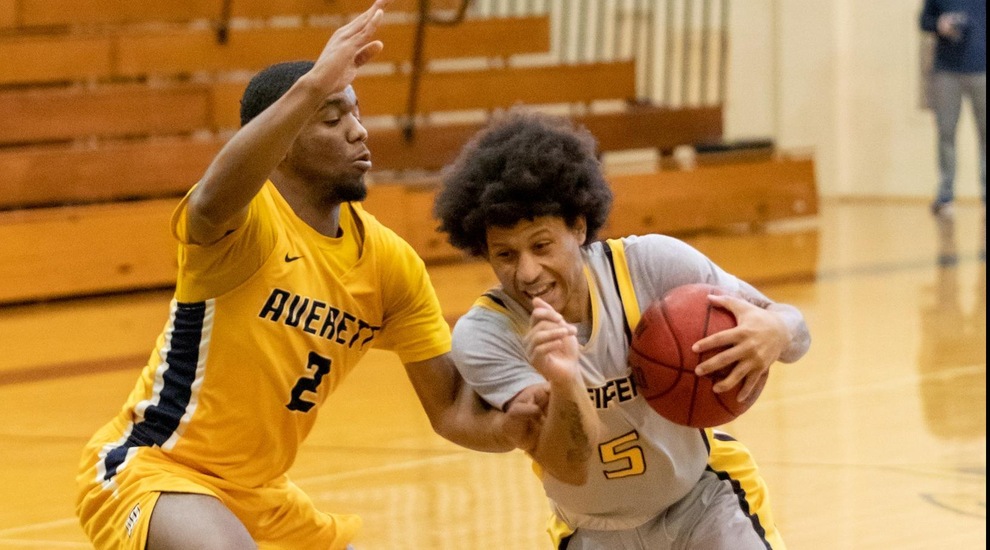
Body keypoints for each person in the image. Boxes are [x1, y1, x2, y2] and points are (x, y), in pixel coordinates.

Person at [75, 2, 537, 548]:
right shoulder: (245, 222)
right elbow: (211, 200)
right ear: (284, 140)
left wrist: (509, 425)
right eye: (332, 118)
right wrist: (314, 84)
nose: (358, 132)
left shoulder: (390, 264)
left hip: (261, 495)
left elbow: (452, 406)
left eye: (356, 114)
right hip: (155, 467)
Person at [433, 111, 812, 549]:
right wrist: (565, 380)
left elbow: (797, 331)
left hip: (702, 500)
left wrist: (776, 329)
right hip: (592, 529)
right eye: (505, 255)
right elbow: (569, 463)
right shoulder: (487, 335)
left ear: (578, 227)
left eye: (541, 245)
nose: (528, 271)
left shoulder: (652, 266)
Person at [919, 0, 986, 216]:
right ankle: (945, 195)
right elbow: (924, 21)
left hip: (981, 70)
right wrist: (939, 24)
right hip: (946, 72)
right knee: (945, 132)